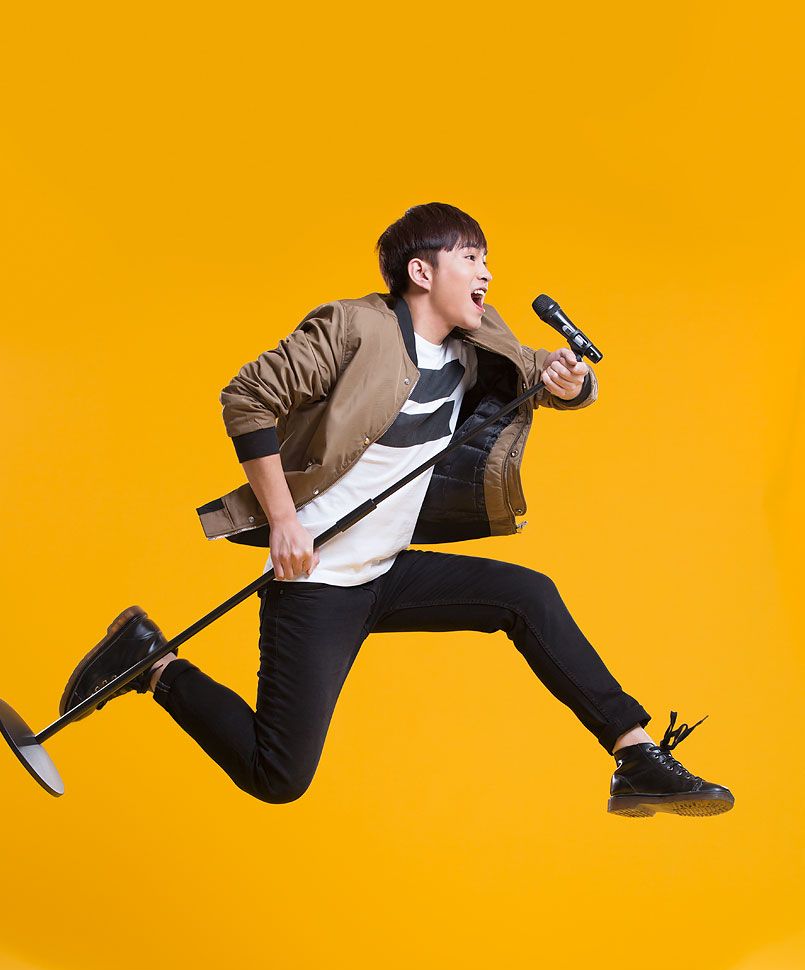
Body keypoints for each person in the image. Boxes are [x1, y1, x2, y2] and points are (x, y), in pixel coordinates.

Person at [58, 203, 734, 818]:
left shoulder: (480, 335)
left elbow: (538, 376)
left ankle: (635, 754)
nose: (487, 273)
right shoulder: (352, 326)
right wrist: (285, 522)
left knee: (527, 595)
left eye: (486, 259)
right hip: (317, 580)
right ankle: (152, 661)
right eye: (471, 257)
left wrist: (573, 382)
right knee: (278, 775)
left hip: (387, 573)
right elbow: (246, 397)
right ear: (421, 270)